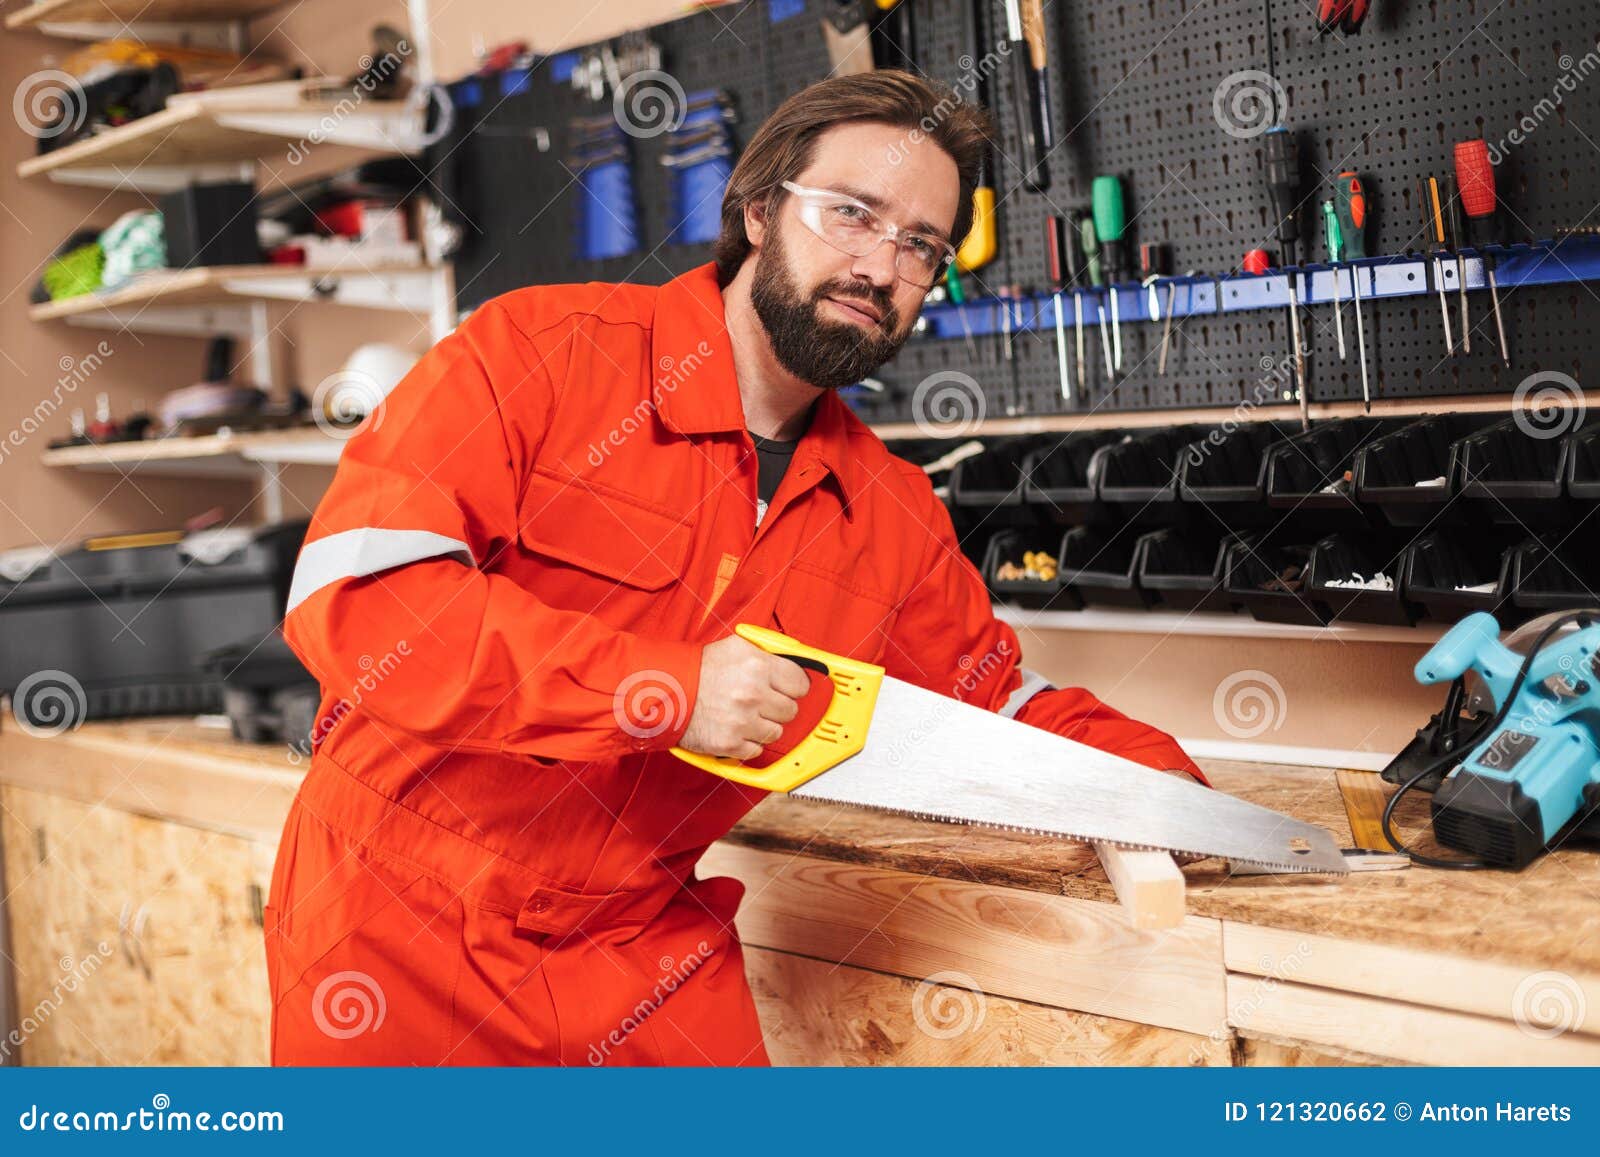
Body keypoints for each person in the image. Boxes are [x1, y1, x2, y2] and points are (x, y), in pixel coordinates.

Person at [266, 70, 1204, 1066]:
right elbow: (360, 606)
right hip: (398, 921)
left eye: (920, 246)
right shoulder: (537, 354)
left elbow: (995, 703)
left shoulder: (888, 509)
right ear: (758, 210)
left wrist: (1172, 791)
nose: (879, 264)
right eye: (851, 213)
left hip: (637, 935)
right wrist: (663, 690)